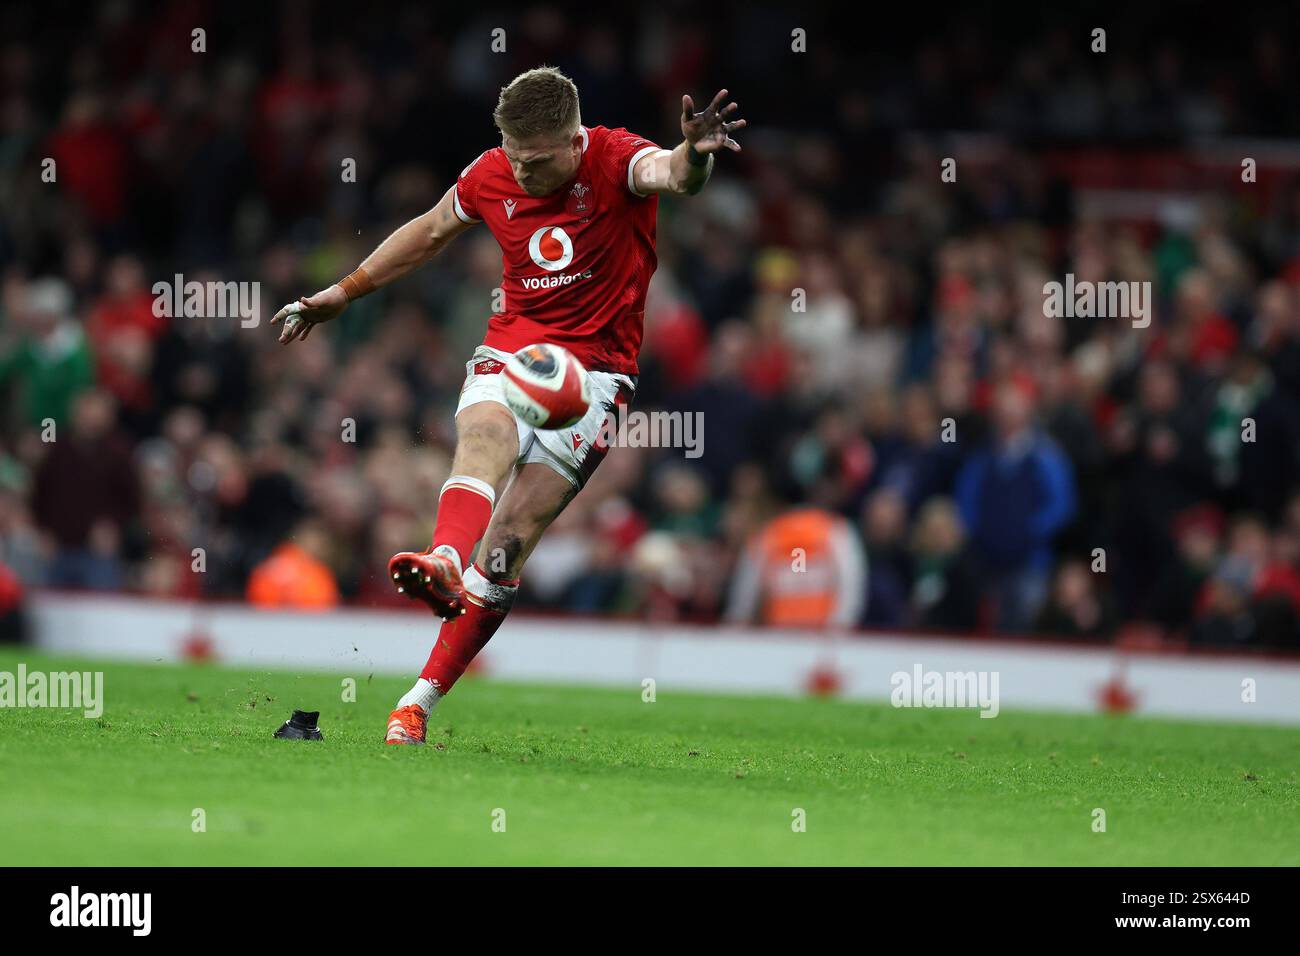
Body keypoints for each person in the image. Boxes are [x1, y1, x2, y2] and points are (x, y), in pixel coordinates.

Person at [271, 67, 746, 744]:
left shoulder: (614, 158)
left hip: (600, 377)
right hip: (515, 349)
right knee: (486, 428)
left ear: (575, 140)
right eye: (514, 156)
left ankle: (417, 703)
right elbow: (431, 230)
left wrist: (695, 154)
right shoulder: (492, 172)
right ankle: (441, 559)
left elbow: (672, 174)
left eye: (539, 160)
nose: (521, 172)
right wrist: (343, 292)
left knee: (509, 546)